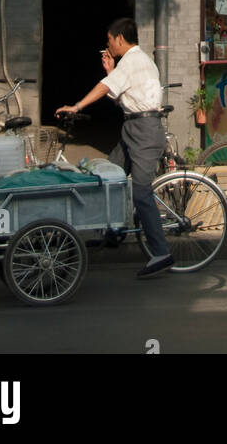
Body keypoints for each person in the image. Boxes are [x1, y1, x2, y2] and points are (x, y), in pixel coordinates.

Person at [56, 17, 173, 278]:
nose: (107, 45)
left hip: (144, 132)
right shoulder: (132, 63)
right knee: (109, 175)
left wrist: (76, 106)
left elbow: (105, 88)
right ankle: (113, 232)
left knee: (140, 191)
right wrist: (111, 70)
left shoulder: (133, 61)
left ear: (120, 39)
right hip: (133, 129)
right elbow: (122, 95)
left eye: (109, 40)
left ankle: (161, 252)